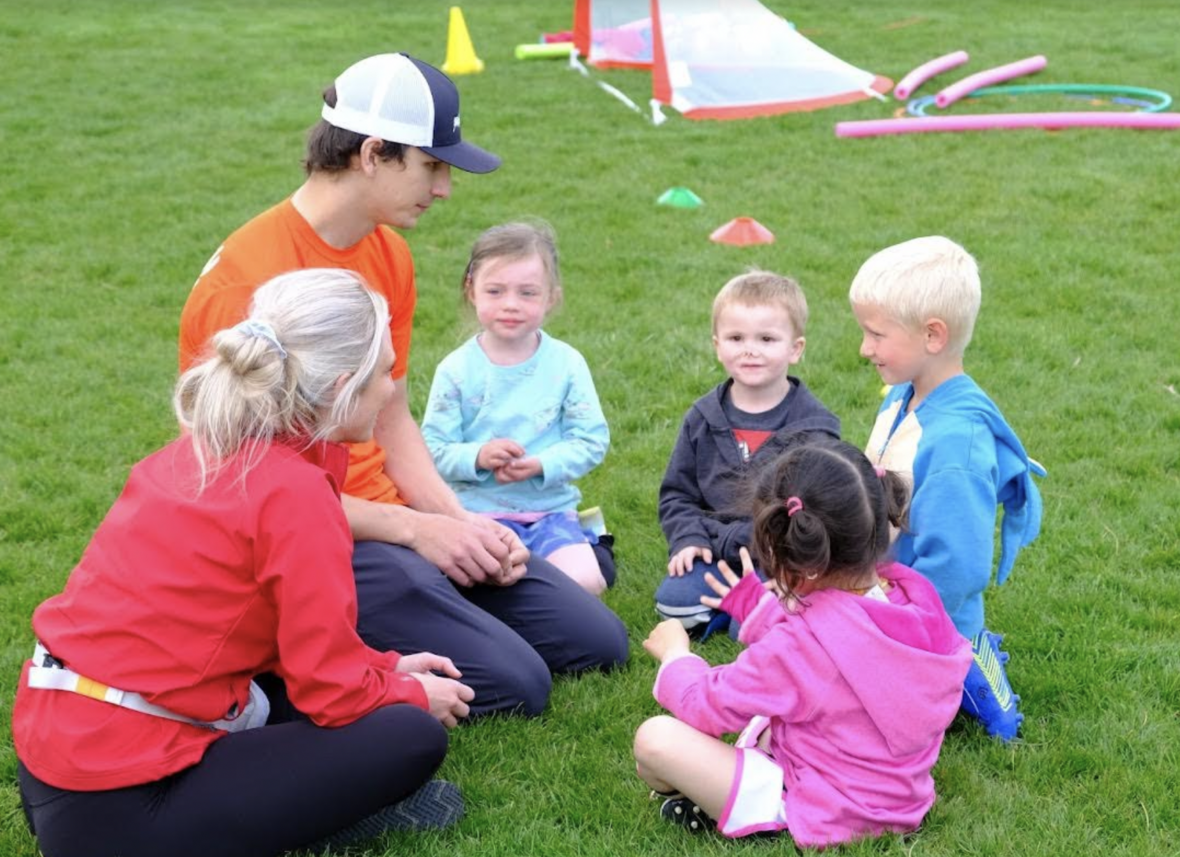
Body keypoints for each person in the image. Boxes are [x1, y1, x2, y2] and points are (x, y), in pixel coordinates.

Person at [178, 53, 628, 717]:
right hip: (313, 541)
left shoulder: (388, 252)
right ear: (372, 154)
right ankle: (280, 668)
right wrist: (416, 532)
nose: (444, 187)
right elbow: (245, 493)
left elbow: (391, 418)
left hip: (393, 521)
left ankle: (405, 620)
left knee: (596, 640)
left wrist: (459, 520)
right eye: (431, 165)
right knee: (519, 682)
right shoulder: (246, 284)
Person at [13, 270, 475, 857]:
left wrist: (386, 668)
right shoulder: (294, 492)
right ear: (340, 388)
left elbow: (281, 640)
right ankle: (320, 819)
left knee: (338, 704)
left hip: (66, 753)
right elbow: (330, 694)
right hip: (126, 800)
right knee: (409, 737)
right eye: (384, 372)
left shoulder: (205, 447)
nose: (392, 388)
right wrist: (410, 695)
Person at [634, 438, 972, 847]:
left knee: (655, 742)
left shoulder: (799, 647)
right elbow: (839, 638)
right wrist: (755, 606)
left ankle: (739, 811)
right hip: (899, 797)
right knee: (769, 723)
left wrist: (676, 656)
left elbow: (704, 705)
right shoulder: (913, 596)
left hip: (829, 810)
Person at [849, 235, 1045, 742]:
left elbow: (959, 566)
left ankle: (973, 660)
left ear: (932, 336)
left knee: (865, 708)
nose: (864, 348)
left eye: (875, 334)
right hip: (882, 589)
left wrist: (894, 618)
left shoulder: (956, 444)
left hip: (929, 618)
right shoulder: (902, 393)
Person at [421, 221, 613, 595]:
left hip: (549, 512)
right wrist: (478, 456)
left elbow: (591, 440)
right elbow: (433, 449)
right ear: (471, 291)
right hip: (475, 514)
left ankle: (587, 541)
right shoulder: (456, 370)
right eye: (495, 290)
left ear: (550, 298)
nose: (511, 304)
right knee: (468, 585)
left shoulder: (566, 364)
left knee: (588, 583)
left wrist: (542, 464)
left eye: (527, 293)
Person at [655, 270, 840, 634]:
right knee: (673, 605)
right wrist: (688, 539)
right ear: (717, 345)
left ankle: (747, 610)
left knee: (774, 624)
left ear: (795, 348)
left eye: (767, 338)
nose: (750, 349)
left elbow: (824, 513)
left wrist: (796, 568)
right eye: (736, 337)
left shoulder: (815, 427)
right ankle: (735, 609)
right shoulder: (702, 418)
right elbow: (678, 493)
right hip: (713, 549)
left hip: (778, 558)